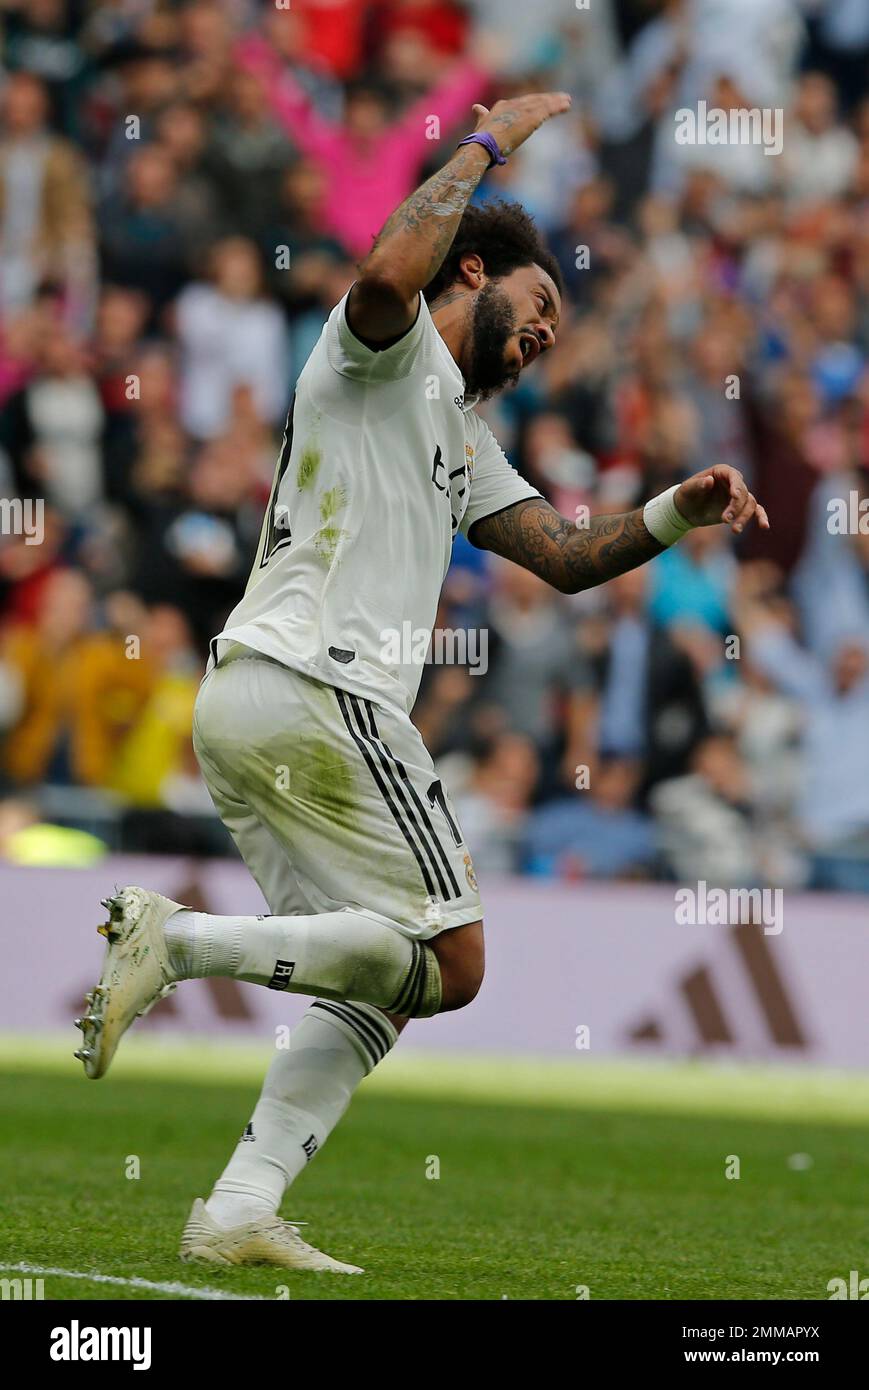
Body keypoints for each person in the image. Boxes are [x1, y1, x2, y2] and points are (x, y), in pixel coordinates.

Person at [76, 90, 768, 1273]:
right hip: (322, 690)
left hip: (250, 703)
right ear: (474, 270)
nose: (546, 332)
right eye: (538, 301)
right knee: (457, 962)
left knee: (380, 981)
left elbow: (556, 556)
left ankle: (241, 1204)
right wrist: (486, 141)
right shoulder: (381, 347)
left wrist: (674, 510)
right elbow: (389, 273)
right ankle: (178, 942)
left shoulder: (458, 430)